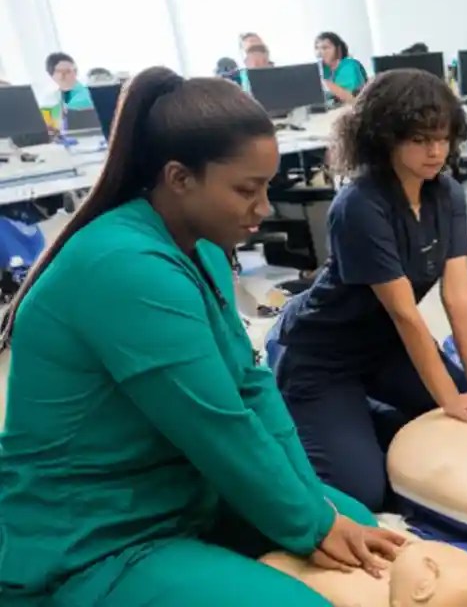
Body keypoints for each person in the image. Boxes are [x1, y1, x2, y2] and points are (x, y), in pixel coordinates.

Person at [0, 67, 403, 606]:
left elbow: (251, 386)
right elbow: (217, 425)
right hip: (91, 534)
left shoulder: (203, 249)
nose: (264, 207)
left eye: (266, 187)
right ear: (179, 178)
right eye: (247, 190)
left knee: (355, 521)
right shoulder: (123, 268)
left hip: (183, 486)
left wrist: (316, 509)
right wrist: (310, 525)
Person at [269, 70, 467, 512]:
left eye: (442, 138)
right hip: (323, 357)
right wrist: (450, 400)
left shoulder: (446, 194)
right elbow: (405, 313)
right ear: (385, 139)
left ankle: (365, 417)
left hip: (386, 348)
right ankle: (305, 414)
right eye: (420, 140)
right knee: (363, 493)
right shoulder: (360, 205)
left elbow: (458, 293)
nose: (435, 151)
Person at [315, 31, 367, 105]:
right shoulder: (324, 69)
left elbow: (353, 100)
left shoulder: (349, 66)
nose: (319, 53)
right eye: (317, 48)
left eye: (325, 48)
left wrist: (322, 81)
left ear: (338, 49)